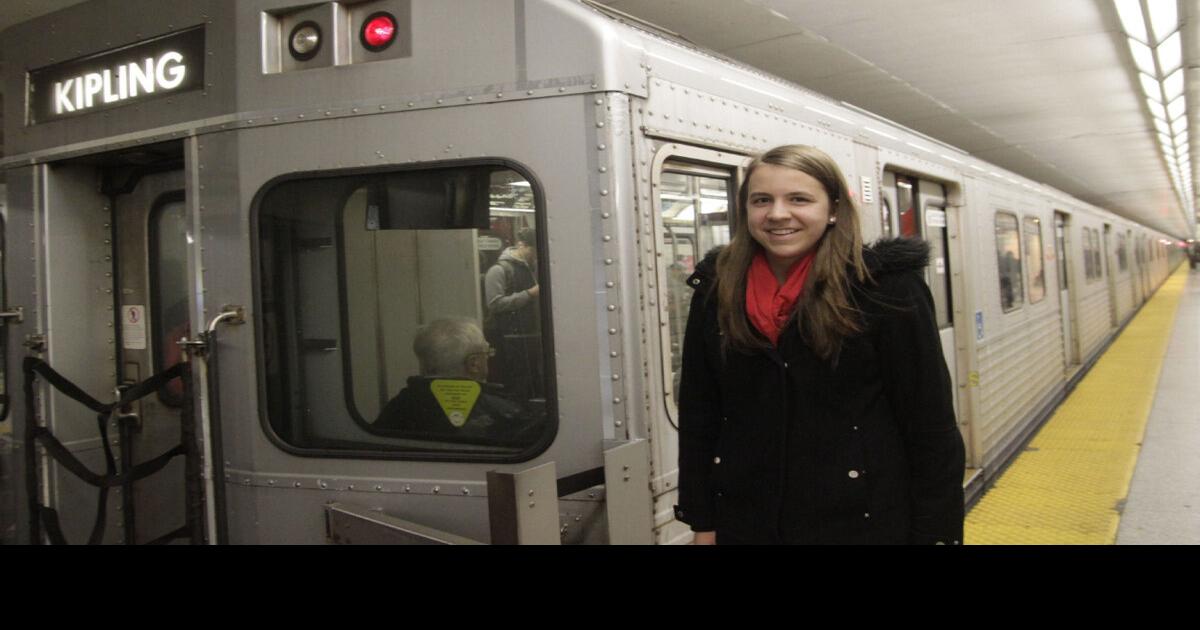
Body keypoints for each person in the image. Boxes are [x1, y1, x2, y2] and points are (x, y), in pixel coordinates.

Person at [674, 145, 965, 545]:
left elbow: (930, 426)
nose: (777, 214)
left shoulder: (885, 289)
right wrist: (701, 520)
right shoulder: (717, 291)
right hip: (747, 521)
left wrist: (935, 536)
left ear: (832, 210)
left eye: (799, 199)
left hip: (862, 523)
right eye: (762, 200)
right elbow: (701, 415)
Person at [374, 317, 542, 445]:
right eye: (488, 351)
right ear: (474, 364)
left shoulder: (398, 407)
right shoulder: (505, 413)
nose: (490, 356)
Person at [484, 227, 544, 399]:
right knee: (514, 383)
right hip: (508, 340)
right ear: (521, 245)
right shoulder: (499, 270)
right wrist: (529, 294)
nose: (535, 255)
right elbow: (495, 304)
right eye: (533, 250)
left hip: (531, 336)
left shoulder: (533, 269)